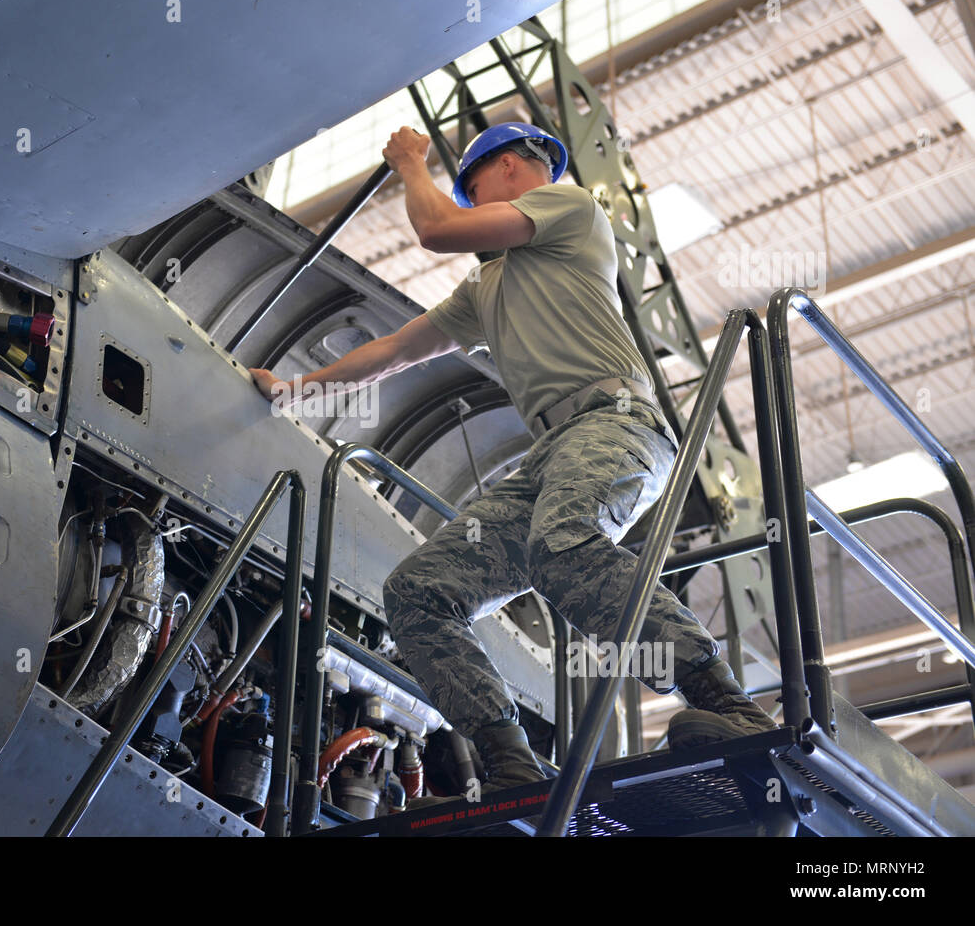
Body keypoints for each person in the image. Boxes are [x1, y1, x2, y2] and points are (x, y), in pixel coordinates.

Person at [250, 123, 776, 808]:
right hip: (551, 454)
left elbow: (436, 228)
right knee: (420, 593)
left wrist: (411, 162)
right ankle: (509, 760)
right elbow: (394, 353)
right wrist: (296, 391)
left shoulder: (569, 210)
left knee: (563, 543)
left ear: (505, 170)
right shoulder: (486, 288)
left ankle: (725, 699)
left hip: (616, 423)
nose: (474, 198)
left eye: (475, 185)